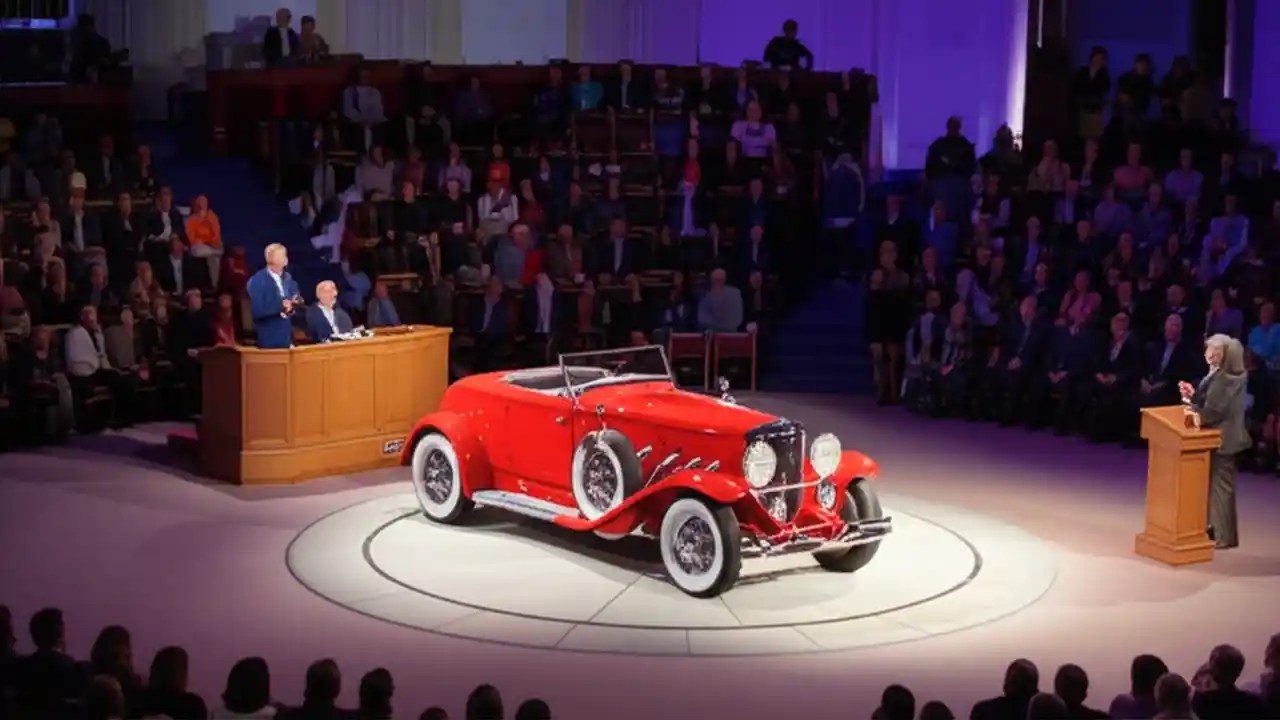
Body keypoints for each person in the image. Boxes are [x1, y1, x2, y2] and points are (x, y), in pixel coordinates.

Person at [1179, 335, 1248, 549]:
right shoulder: (1222, 374)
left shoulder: (1225, 378)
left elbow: (1214, 411)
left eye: (1213, 351)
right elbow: (1210, 401)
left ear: (1223, 353)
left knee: (1221, 488)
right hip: (1220, 437)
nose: (1208, 355)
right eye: (1208, 350)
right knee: (1218, 487)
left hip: (1222, 438)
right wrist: (1193, 397)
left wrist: (1192, 411)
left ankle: (1223, 536)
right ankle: (1216, 529)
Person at [247, 244, 302, 350]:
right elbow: (257, 311)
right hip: (270, 339)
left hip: (287, 336)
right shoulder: (257, 281)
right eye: (282, 255)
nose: (286, 258)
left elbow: (297, 297)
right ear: (271, 259)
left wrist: (296, 302)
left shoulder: (287, 278)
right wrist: (280, 306)